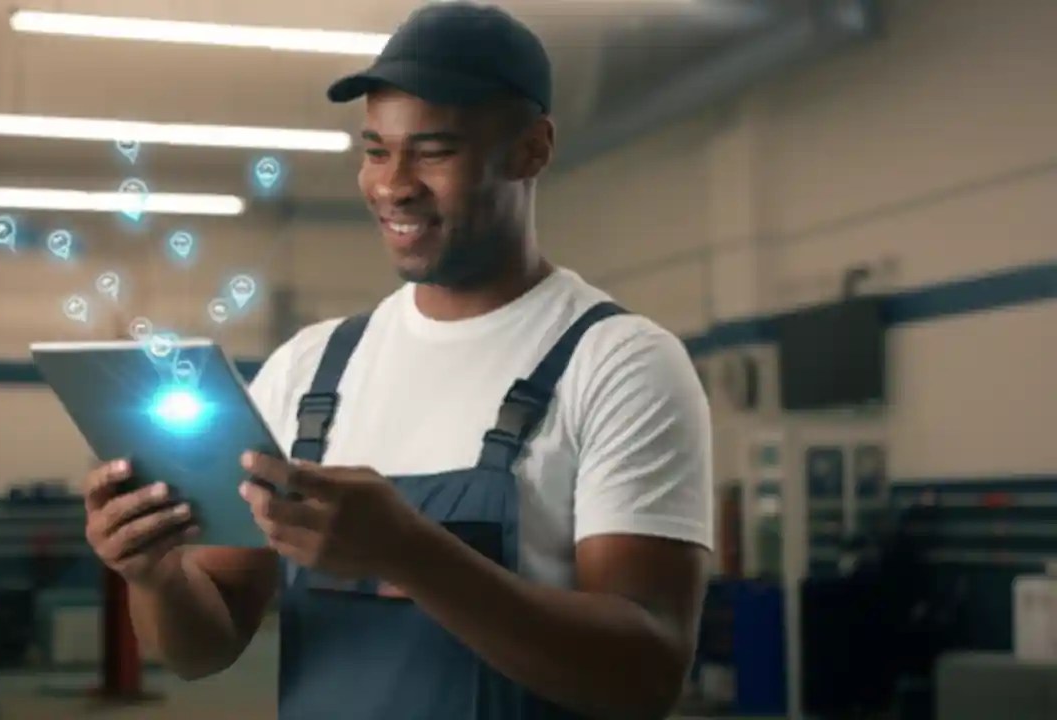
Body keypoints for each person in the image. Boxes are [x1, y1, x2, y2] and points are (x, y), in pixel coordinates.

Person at [81, 2, 713, 718]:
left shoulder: (620, 365)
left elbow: (646, 675)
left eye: (434, 151)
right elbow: (204, 649)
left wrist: (412, 554)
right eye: (376, 150)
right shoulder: (310, 369)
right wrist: (157, 575)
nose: (393, 184)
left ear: (532, 149)